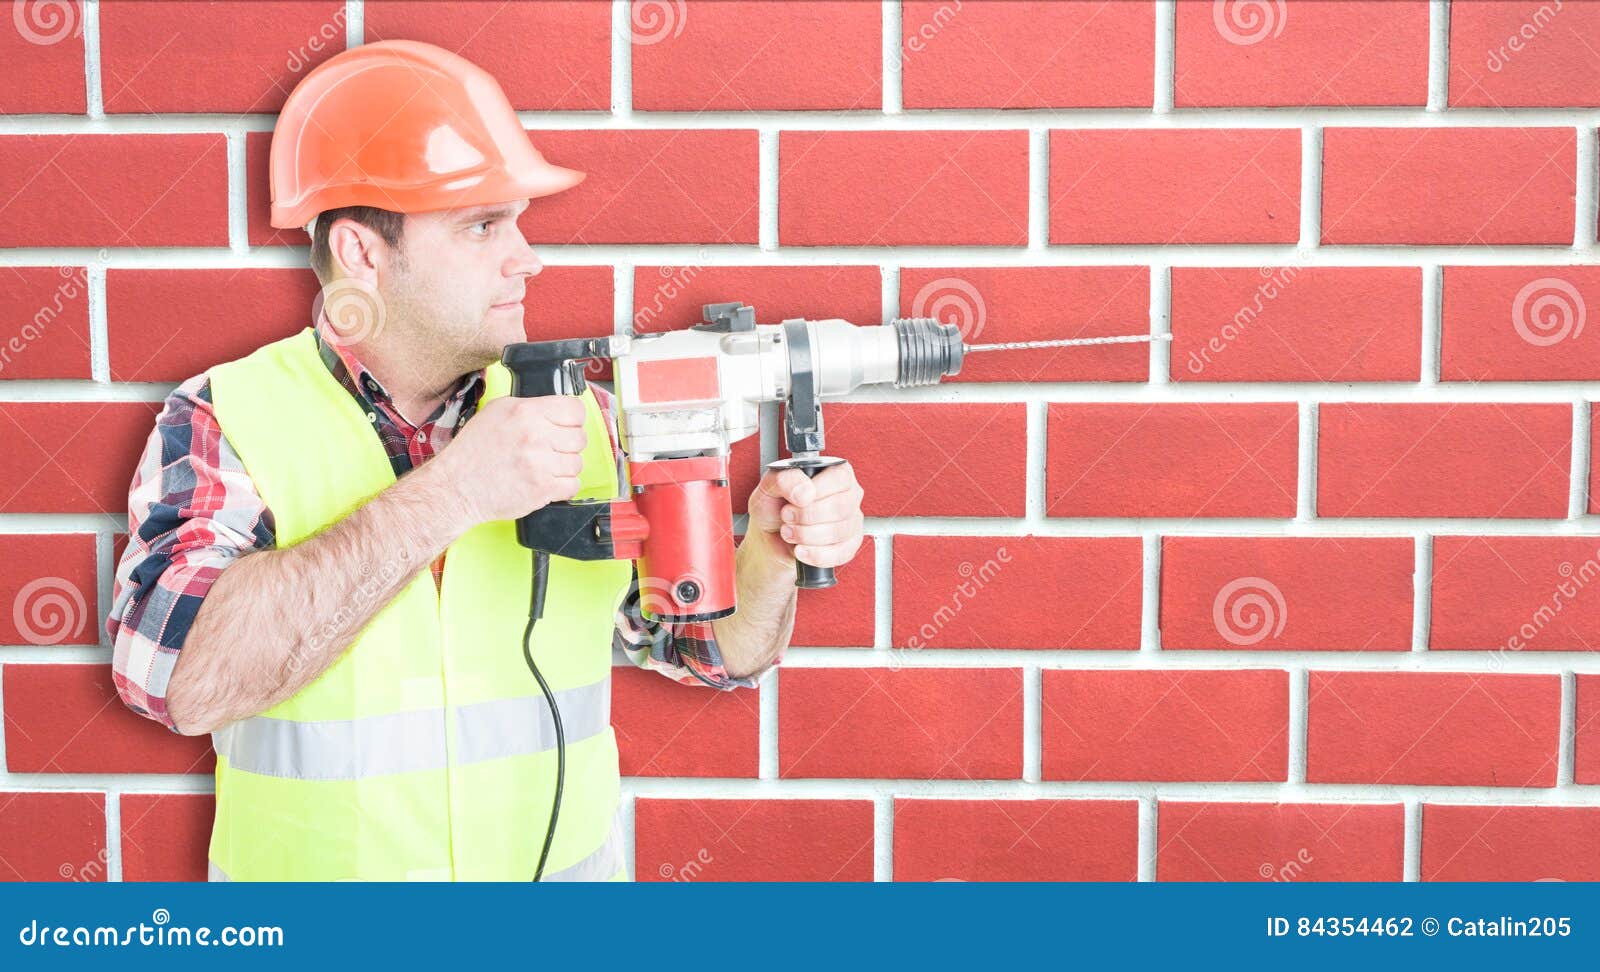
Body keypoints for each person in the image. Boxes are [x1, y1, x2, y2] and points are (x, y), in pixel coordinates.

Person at [106, 39, 866, 882]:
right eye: (482, 226)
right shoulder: (228, 417)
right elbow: (175, 680)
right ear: (364, 254)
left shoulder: (587, 421)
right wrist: (453, 493)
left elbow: (710, 650)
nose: (527, 258)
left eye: (518, 221)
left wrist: (769, 555)